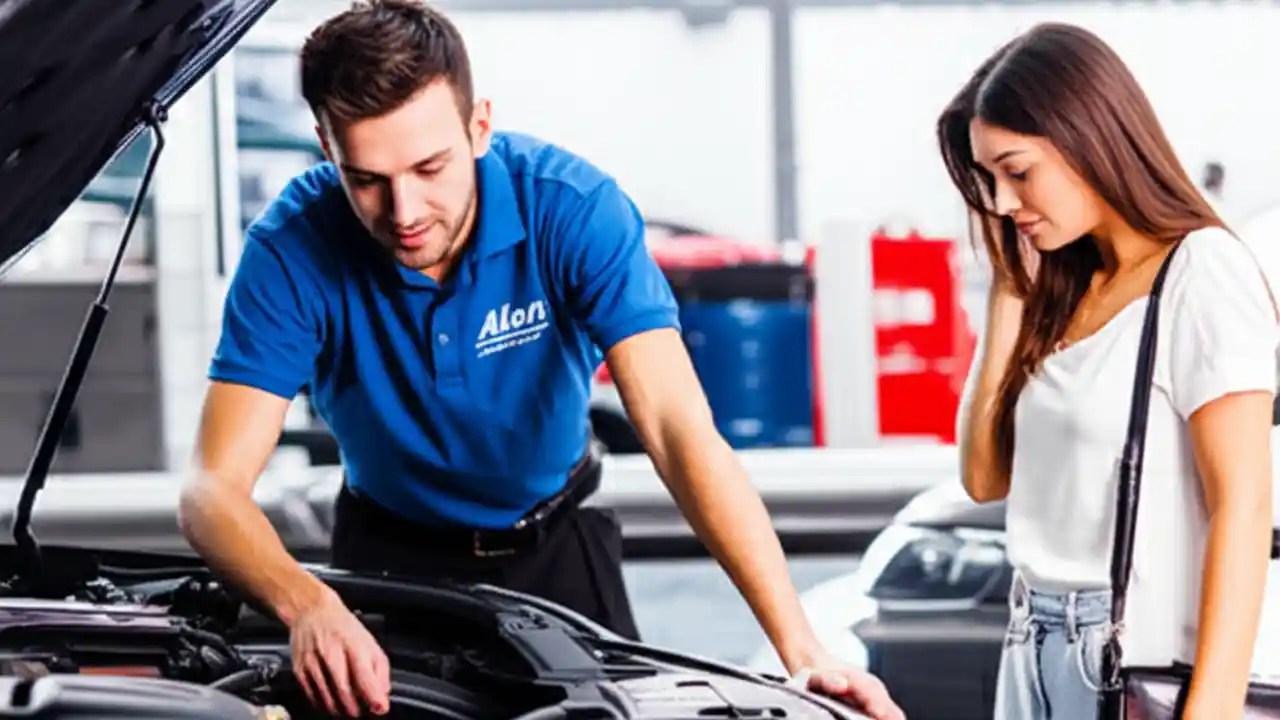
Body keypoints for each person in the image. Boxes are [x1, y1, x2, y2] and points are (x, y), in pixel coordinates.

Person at [176, 2, 903, 719]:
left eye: (431, 167)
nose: (404, 211)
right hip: (386, 563)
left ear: (479, 125)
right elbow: (212, 490)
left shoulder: (571, 209)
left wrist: (800, 649)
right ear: (326, 148)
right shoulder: (291, 248)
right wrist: (306, 603)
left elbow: (681, 434)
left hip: (557, 549)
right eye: (366, 179)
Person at [939, 23, 1276, 720]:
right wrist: (1007, 293)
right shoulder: (1068, 289)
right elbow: (982, 477)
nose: (1002, 203)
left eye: (1018, 170)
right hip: (1029, 642)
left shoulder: (1200, 272)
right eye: (989, 180)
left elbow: (1241, 509)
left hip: (1128, 657)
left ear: (1086, 138)